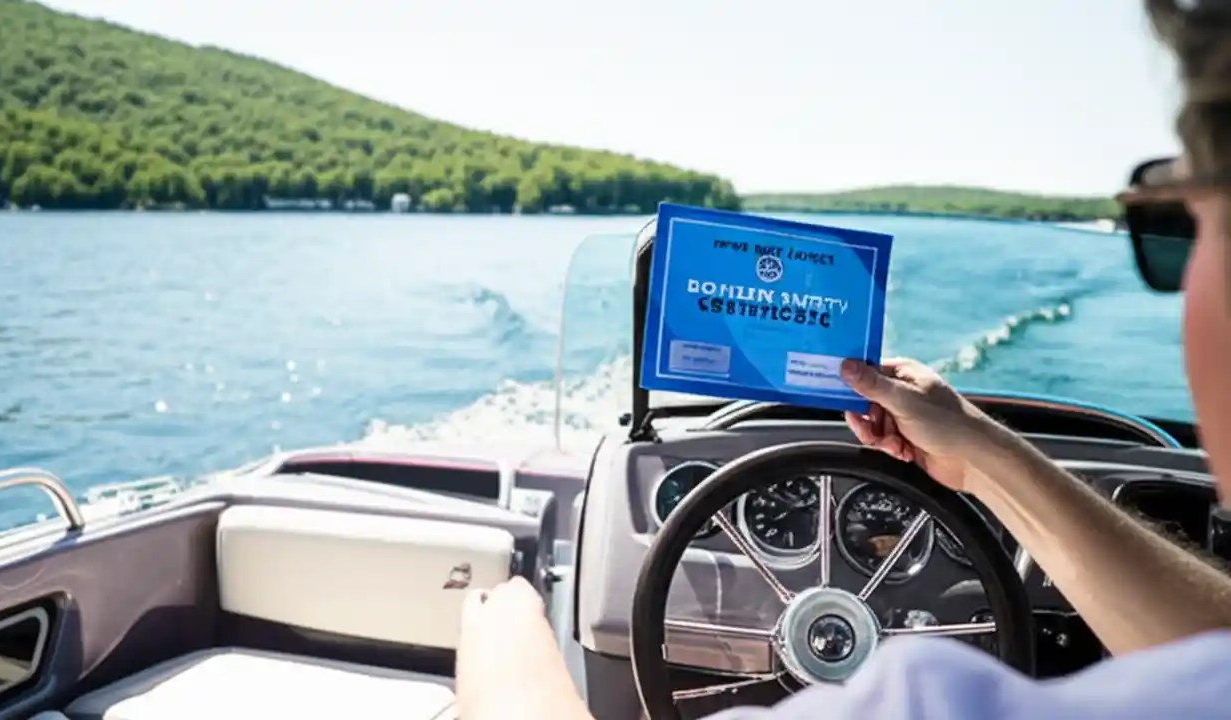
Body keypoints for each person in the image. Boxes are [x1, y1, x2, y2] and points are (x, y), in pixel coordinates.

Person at [454, 0, 1231, 717]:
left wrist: (508, 657)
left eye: (1188, 224)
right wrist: (981, 452)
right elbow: (1210, 641)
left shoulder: (922, 700)